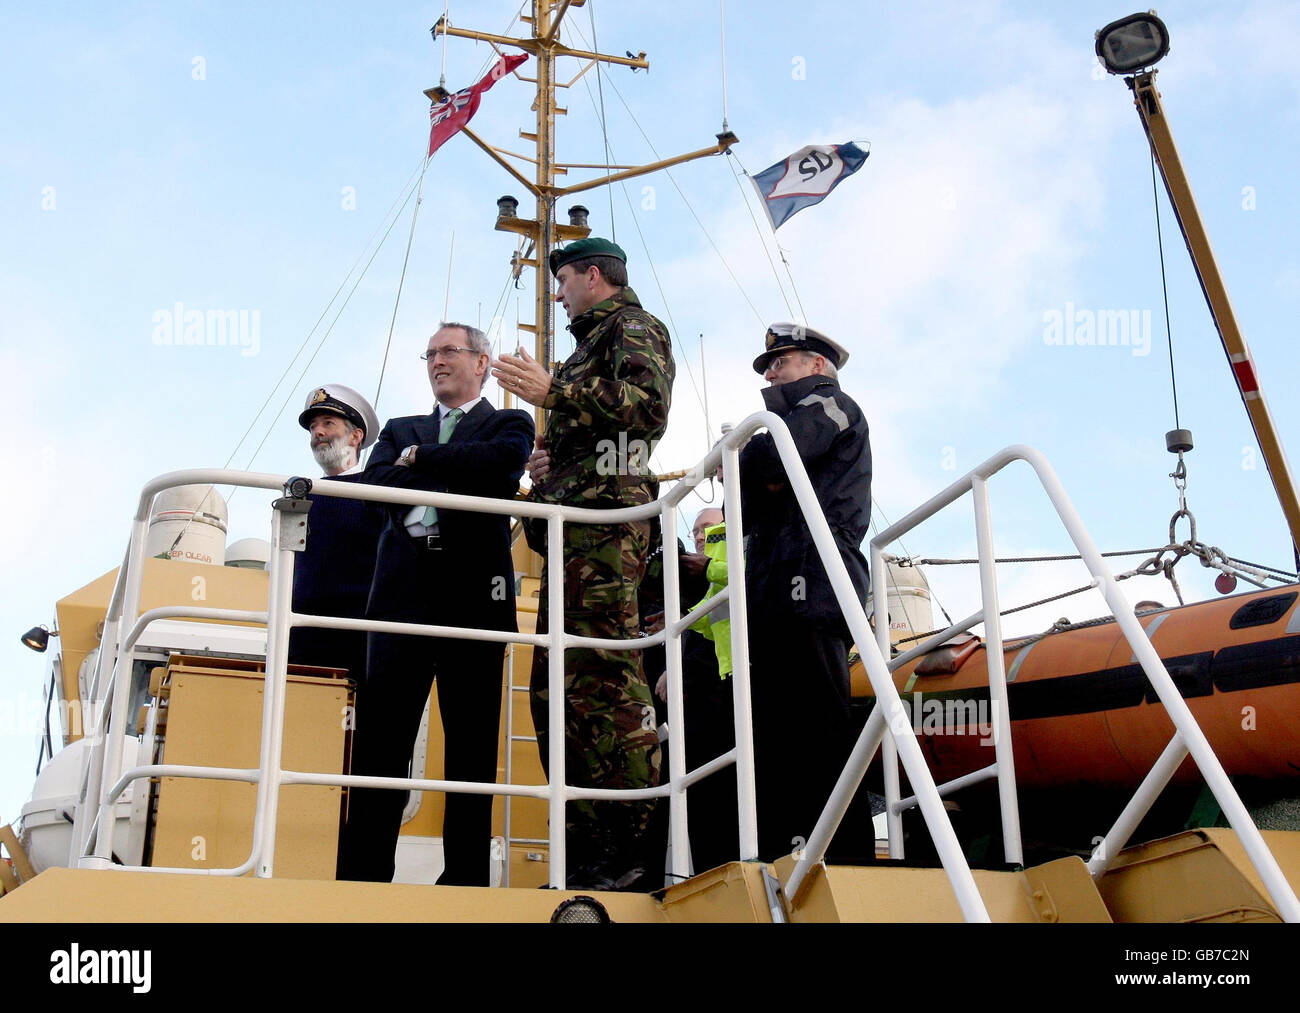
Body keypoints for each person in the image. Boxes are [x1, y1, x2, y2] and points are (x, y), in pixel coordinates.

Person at [491, 237, 674, 890]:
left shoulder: (633, 326)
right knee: (555, 693)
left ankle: (632, 852)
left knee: (605, 684)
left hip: (604, 532)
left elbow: (647, 413)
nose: (557, 291)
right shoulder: (586, 347)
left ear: (594, 275)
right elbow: (589, 436)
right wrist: (547, 475)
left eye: (564, 278)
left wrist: (556, 389)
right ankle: (583, 856)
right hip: (570, 533)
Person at [337, 322, 534, 886]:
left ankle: (467, 878)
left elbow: (502, 464)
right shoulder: (399, 427)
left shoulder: (509, 421)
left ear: (480, 361)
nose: (436, 361)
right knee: (381, 745)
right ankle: (365, 874)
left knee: (471, 749)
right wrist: (443, 466)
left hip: (475, 600)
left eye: (448, 351)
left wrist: (420, 460)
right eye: (430, 354)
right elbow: (376, 482)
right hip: (400, 601)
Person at [739, 322, 872, 862]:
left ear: (818, 365)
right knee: (774, 733)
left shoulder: (833, 406)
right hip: (772, 582)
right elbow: (747, 486)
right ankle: (783, 855)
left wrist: (758, 463)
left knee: (821, 724)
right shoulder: (783, 422)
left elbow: (767, 462)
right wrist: (755, 466)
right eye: (770, 365)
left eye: (782, 361)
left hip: (817, 580)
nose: (771, 372)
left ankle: (843, 858)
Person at [288, 384, 384, 691]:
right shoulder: (302, 496)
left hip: (360, 633)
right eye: (314, 426)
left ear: (356, 437)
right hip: (303, 631)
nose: (318, 432)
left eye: (328, 423)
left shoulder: (378, 492)